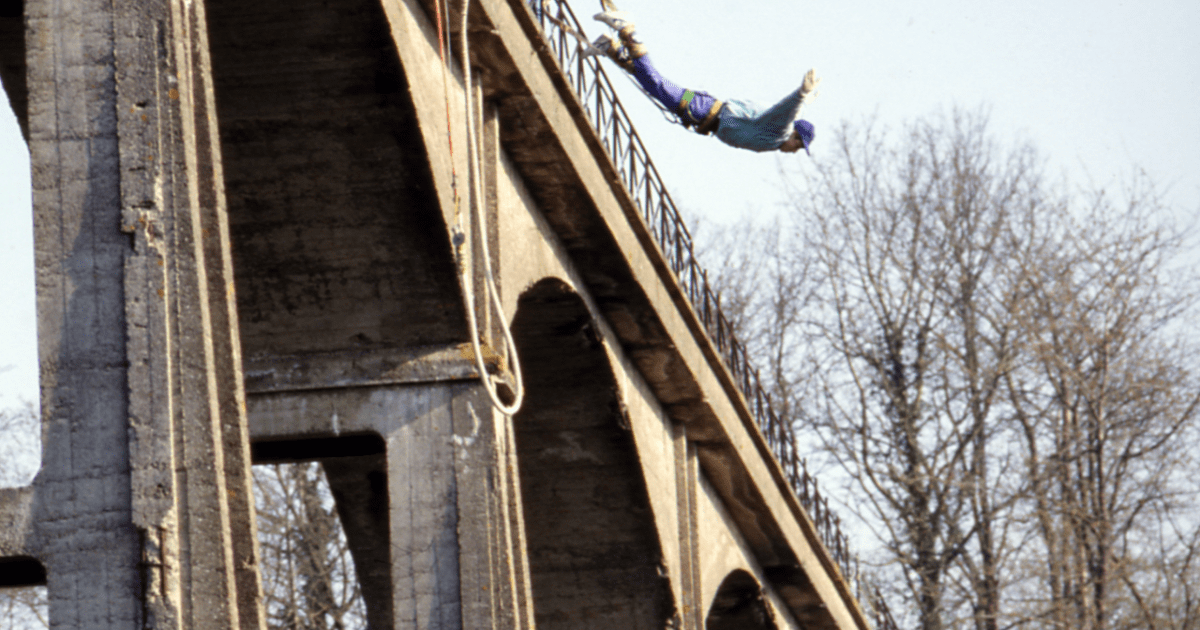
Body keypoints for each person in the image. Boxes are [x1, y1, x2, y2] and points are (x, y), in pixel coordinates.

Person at [584, 10, 819, 154]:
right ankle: (627, 29)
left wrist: (805, 100)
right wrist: (800, 96)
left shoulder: (775, 136)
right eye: (797, 147)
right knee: (657, 85)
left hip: (699, 107)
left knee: (656, 86)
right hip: (701, 108)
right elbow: (786, 111)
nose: (793, 152)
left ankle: (613, 49)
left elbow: (792, 113)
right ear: (794, 136)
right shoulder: (778, 131)